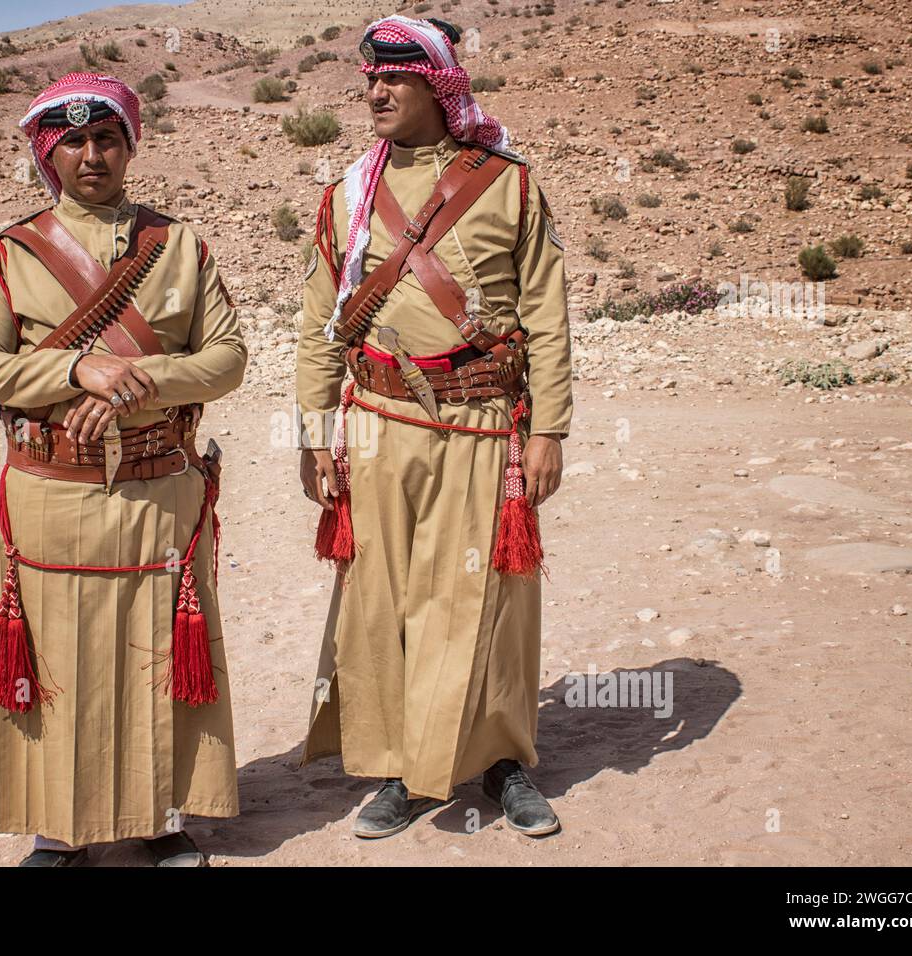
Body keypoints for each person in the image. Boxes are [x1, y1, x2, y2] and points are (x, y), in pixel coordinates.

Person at [295, 15, 573, 840]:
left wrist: (550, 427)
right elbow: (320, 322)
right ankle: (396, 768)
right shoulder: (346, 195)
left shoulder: (508, 183)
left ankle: (502, 763)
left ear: (440, 86)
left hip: (484, 422)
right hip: (375, 420)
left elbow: (550, 319)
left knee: (486, 597)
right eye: (369, 79)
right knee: (382, 599)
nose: (375, 92)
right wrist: (315, 432)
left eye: (396, 79)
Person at [0, 73, 246, 867]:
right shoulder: (14, 252)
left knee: (156, 656)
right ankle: (58, 827)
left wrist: (140, 384)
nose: (93, 155)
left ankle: (159, 820)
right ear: (50, 152)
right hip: (55, 490)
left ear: (129, 147)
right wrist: (76, 373)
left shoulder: (181, 246)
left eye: (108, 139)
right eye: (76, 141)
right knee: (57, 663)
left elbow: (227, 359)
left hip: (160, 490)